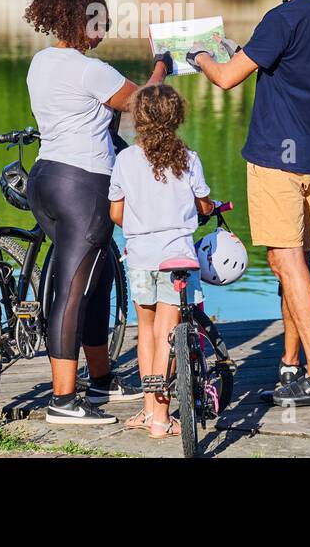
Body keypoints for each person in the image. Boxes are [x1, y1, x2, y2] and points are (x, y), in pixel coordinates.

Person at [185, 0, 310, 406]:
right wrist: (238, 49)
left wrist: (198, 56)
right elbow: (289, 64)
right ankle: (291, 365)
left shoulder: (283, 18)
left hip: (277, 159)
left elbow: (228, 79)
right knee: (290, 261)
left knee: (286, 260)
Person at [23, 0, 170, 425]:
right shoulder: (91, 70)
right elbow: (146, 106)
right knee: (71, 290)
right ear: (80, 23)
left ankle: (102, 380)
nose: (103, 32)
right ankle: (63, 401)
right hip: (83, 184)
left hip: (46, 177)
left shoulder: (41, 62)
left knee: (98, 276)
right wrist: (163, 63)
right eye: (99, 24)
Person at [108, 85, 215, 439]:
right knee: (169, 333)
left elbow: (116, 213)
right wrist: (207, 209)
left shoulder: (124, 160)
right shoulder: (190, 158)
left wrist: (141, 228)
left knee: (148, 332)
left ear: (138, 118)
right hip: (178, 258)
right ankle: (160, 417)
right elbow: (203, 205)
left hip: (139, 256)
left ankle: (150, 409)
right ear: (177, 117)